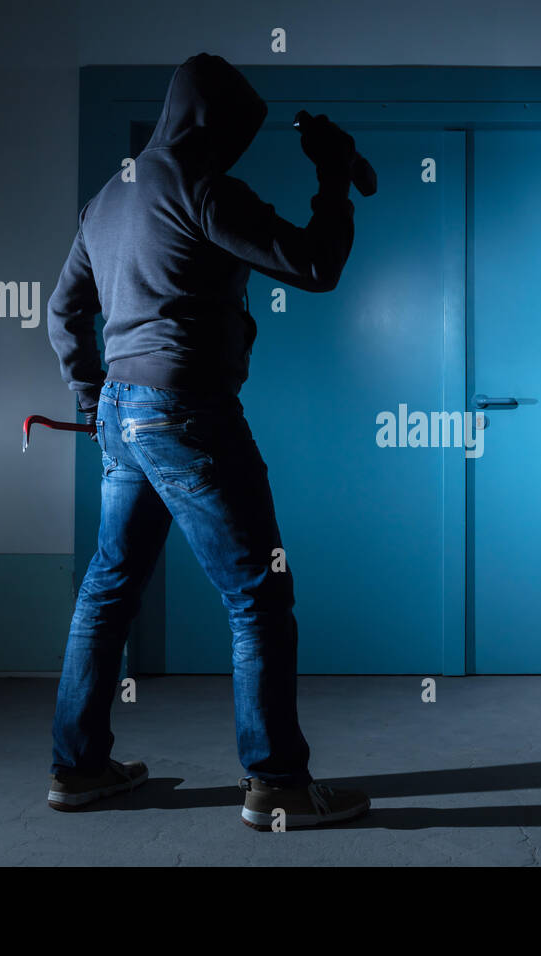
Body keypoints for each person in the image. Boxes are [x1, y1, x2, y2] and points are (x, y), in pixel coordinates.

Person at [43, 52, 369, 830]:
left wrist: (92, 400)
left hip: (123, 411)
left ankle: (79, 769)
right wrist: (330, 174)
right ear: (211, 122)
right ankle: (278, 786)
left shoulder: (107, 199)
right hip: (186, 407)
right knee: (258, 594)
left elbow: (62, 310)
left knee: (106, 591)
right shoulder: (203, 188)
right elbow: (315, 262)